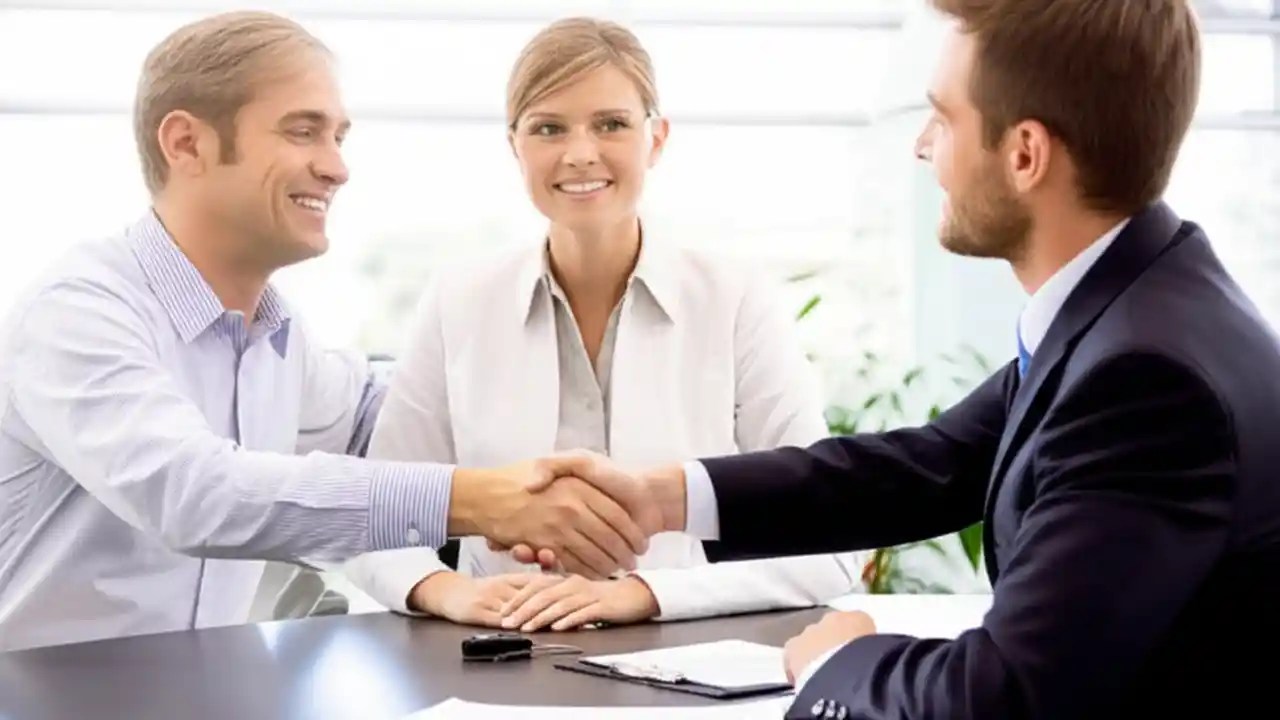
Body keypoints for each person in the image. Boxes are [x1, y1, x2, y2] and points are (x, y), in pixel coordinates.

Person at [509, 0, 1280, 716]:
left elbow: (1005, 694)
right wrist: (662, 499)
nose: (920, 147)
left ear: (1025, 154)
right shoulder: (1131, 307)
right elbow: (933, 465)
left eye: (940, 120)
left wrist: (836, 663)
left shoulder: (1146, 380)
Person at [0, 10, 654, 652]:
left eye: (338, 137)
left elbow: (412, 414)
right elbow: (194, 495)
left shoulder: (283, 346)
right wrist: (483, 499)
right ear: (186, 143)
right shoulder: (77, 314)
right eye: (303, 132)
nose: (337, 167)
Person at [342, 17, 866, 632]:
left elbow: (836, 540)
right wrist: (448, 590)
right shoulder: (459, 298)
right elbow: (373, 516)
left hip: (680, 656)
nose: (580, 152)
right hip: (494, 655)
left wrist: (647, 594)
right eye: (548, 128)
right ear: (515, 145)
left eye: (611, 124)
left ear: (657, 138)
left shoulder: (732, 296)